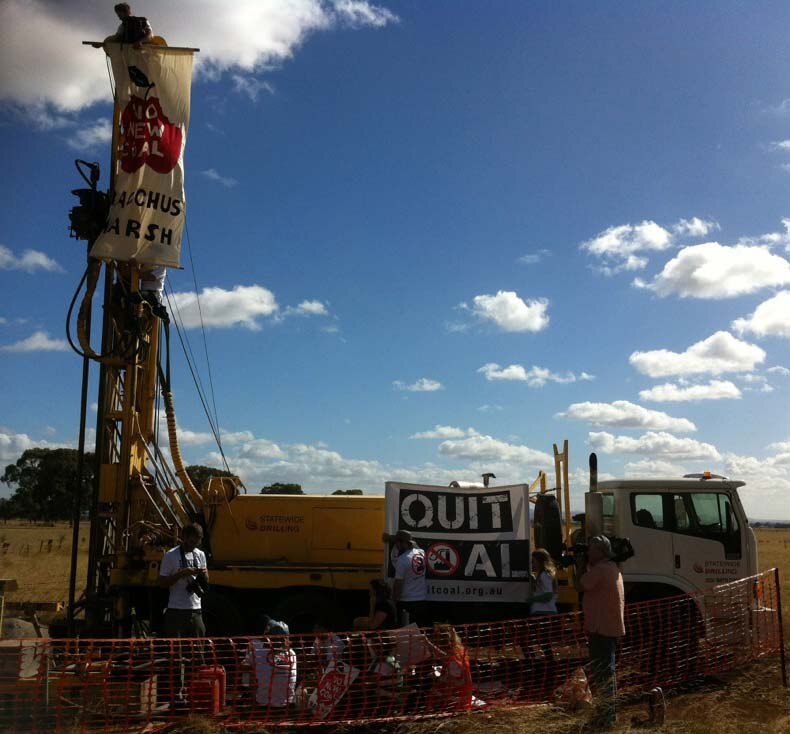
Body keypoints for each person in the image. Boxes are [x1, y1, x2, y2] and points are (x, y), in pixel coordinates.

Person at [575, 535, 625, 728]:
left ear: (600, 552)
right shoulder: (612, 568)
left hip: (600, 628)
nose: (587, 553)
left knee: (603, 675)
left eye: (590, 550)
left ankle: (606, 718)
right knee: (607, 673)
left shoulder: (600, 570)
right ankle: (609, 715)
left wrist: (579, 566)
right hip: (610, 628)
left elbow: (579, 585)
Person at [159, 523, 208, 637]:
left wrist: (204, 574)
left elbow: (206, 581)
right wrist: (181, 574)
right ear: (184, 537)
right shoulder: (171, 555)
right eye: (191, 542)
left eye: (197, 542)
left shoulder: (200, 554)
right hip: (176, 610)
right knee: (177, 651)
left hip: (196, 610)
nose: (194, 546)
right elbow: (162, 583)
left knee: (198, 650)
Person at [246, 618, 298, 708]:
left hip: (264, 704)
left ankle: (248, 697)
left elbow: (243, 667)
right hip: (288, 704)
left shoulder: (258, 652)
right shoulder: (292, 653)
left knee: (250, 672)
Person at [425, 625, 473, 712]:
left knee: (434, 692)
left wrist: (428, 644)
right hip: (457, 691)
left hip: (457, 697)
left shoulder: (454, 660)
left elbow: (453, 682)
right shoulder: (458, 652)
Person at [389, 530, 429, 627]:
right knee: (419, 632)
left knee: (406, 633)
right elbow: (415, 546)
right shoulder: (421, 553)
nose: (396, 546)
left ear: (401, 543)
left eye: (397, 543)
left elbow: (398, 584)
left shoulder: (402, 560)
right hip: (421, 599)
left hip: (407, 602)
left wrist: (393, 602)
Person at [530, 548, 558, 614]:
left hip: (544, 611)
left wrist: (531, 599)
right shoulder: (543, 574)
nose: (532, 564)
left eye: (533, 561)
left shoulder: (544, 575)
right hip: (544, 610)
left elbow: (548, 595)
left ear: (540, 562)